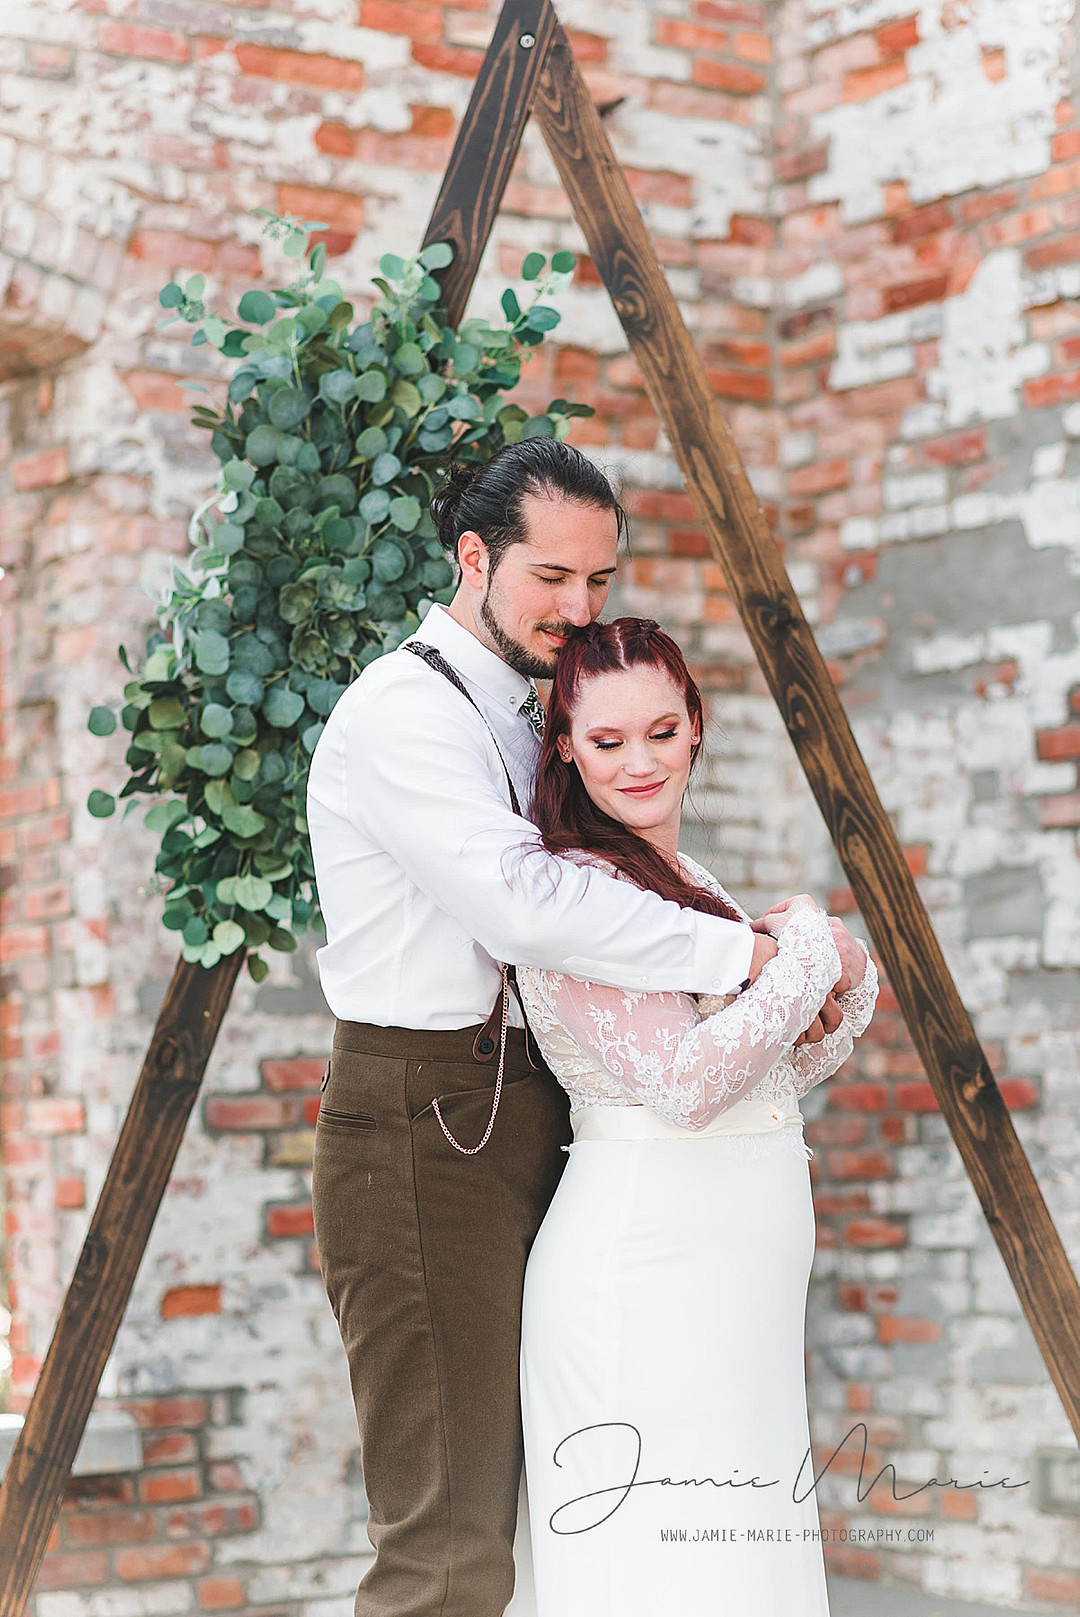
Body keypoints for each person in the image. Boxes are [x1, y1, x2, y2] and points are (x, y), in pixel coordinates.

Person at [306, 440, 805, 1617]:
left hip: (549, 1115)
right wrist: (744, 956)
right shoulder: (401, 716)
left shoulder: (536, 709)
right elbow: (524, 903)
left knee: (571, 1512)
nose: (580, 609)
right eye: (550, 579)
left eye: (600, 580)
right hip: (426, 1126)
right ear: (472, 558)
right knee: (448, 1542)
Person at [514, 617, 879, 1616]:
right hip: (645, 1277)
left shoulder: (693, 889)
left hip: (738, 1292)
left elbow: (763, 1078)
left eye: (661, 732)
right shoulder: (578, 894)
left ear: (696, 727)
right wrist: (810, 942)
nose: (639, 762)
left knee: (737, 1566)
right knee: (663, 1574)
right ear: (564, 748)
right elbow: (683, 1085)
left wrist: (834, 973)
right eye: (606, 740)